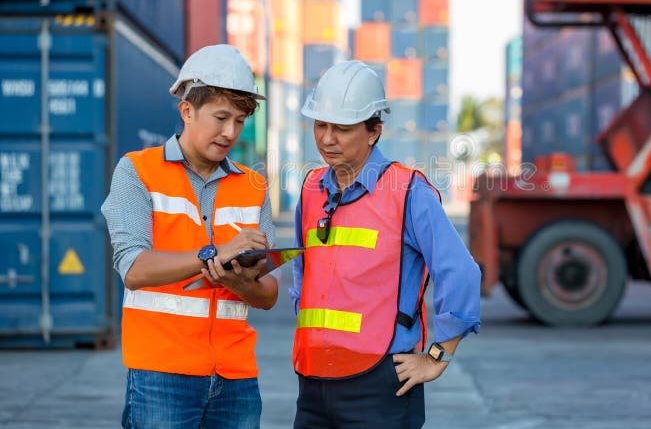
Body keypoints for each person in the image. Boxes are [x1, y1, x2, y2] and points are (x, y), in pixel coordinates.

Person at [290, 60, 481, 428]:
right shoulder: (312, 189)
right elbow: (304, 280)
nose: (327, 139)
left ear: (374, 131)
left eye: (342, 128)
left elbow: (461, 273)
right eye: (320, 125)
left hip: (379, 387)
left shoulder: (409, 192)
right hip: (312, 382)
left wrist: (438, 356)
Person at [101, 44, 277, 429]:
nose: (230, 132)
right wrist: (214, 253)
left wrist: (241, 281)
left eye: (240, 121)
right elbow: (133, 267)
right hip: (161, 376)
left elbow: (269, 295)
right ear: (187, 111)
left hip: (237, 379)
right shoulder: (137, 172)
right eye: (220, 117)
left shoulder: (253, 186)